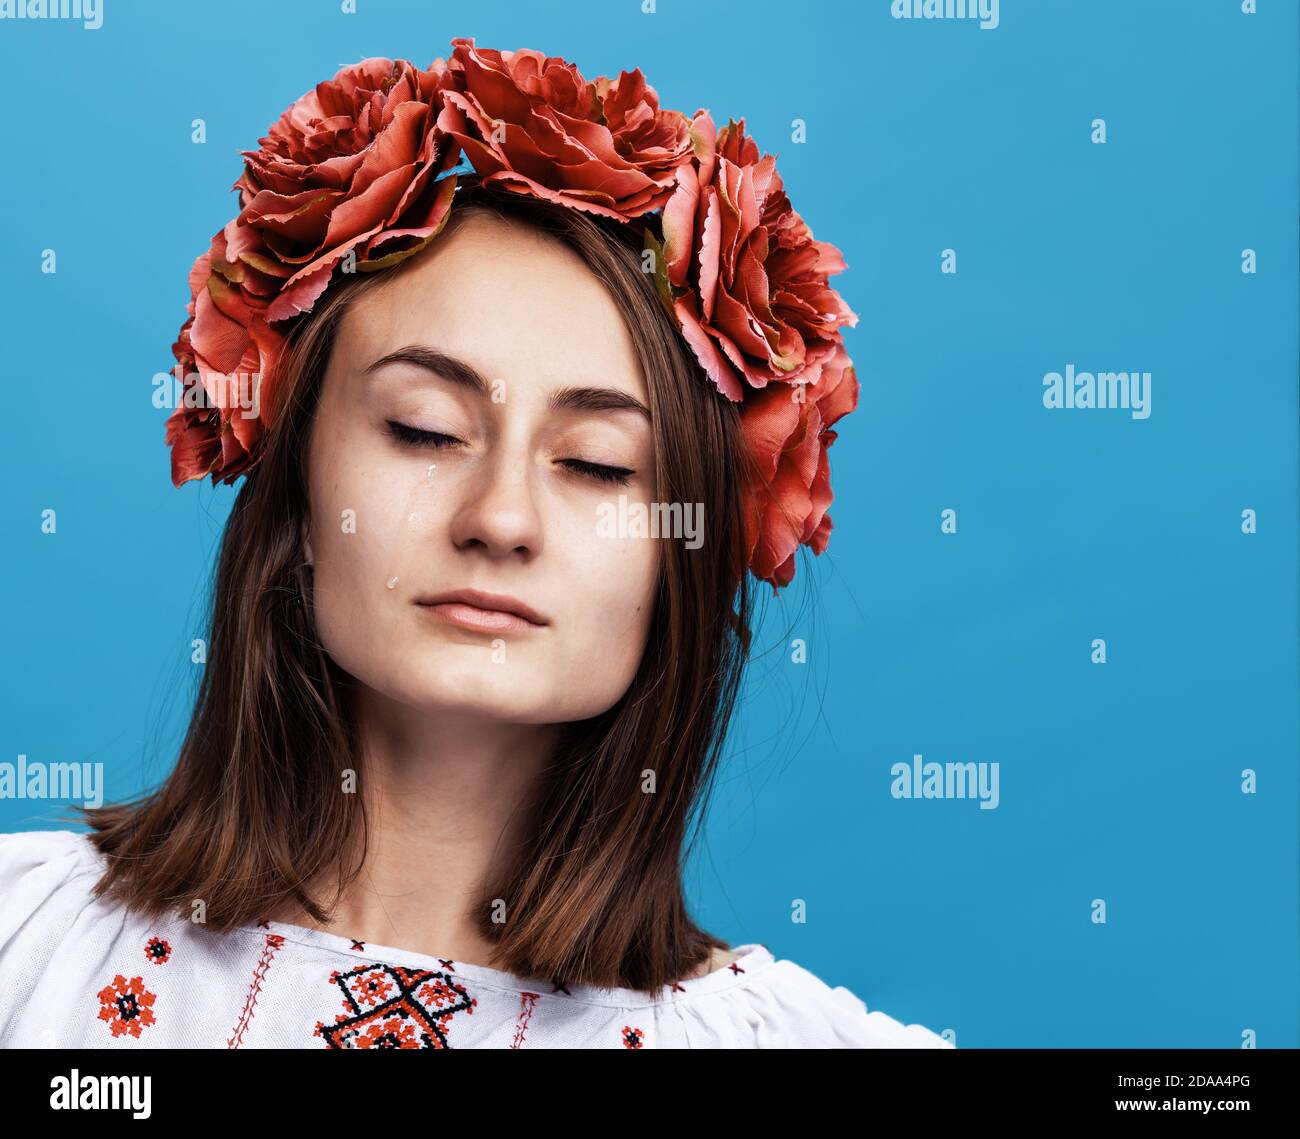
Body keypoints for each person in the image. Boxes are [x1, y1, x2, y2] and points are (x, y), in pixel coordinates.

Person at [0, 41, 953, 1050]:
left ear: (686, 551)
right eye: (422, 429)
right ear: (294, 483)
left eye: (595, 464)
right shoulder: (24, 949)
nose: (500, 518)